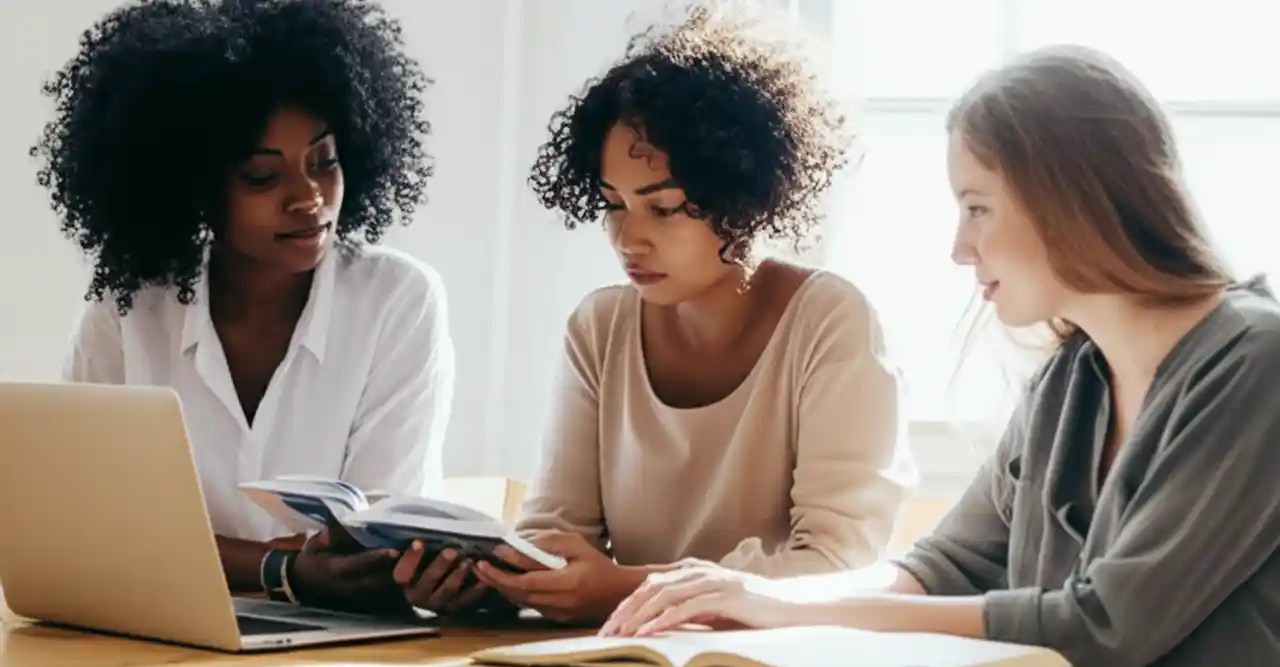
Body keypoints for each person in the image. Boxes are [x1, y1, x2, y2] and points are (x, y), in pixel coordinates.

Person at [599, 45, 1280, 667]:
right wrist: (748, 597)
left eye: (977, 208)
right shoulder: (1071, 384)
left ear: (1072, 199)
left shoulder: (1255, 362)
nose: (959, 248)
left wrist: (777, 606)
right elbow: (942, 567)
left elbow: (1106, 624)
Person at [395, 4, 915, 623]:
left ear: (743, 198)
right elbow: (558, 535)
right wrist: (489, 583)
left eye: (663, 208)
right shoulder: (601, 328)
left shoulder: (830, 321)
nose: (627, 239)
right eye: (613, 204)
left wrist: (621, 587)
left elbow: (837, 566)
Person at [36, 0, 453, 614]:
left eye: (324, 161)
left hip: (344, 644)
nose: (309, 198)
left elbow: (374, 547)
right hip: (153, 625)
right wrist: (281, 568)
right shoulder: (127, 310)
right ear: (196, 188)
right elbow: (87, 528)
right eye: (263, 177)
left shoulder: (398, 301)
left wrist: (223, 557)